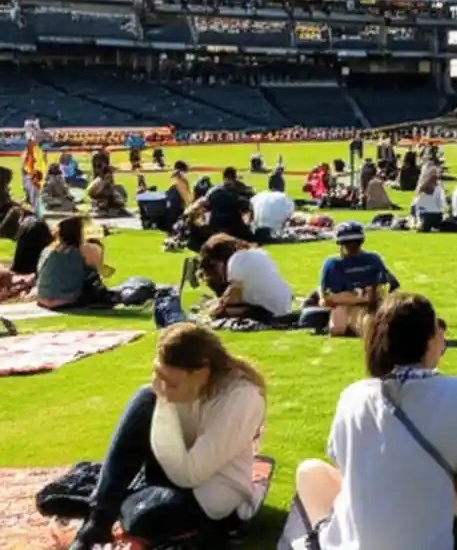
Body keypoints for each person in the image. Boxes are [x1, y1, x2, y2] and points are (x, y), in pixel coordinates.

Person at [296, 293, 457, 549]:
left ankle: (320, 537)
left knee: (310, 472)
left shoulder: (353, 396)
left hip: (356, 542)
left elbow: (347, 468)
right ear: (430, 340)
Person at [67, 323, 266, 550]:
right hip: (166, 472)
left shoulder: (242, 398)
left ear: (201, 371)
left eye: (171, 383)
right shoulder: (177, 387)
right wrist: (159, 399)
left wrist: (164, 406)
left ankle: (118, 500)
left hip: (210, 491)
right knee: (144, 398)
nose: (161, 387)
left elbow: (189, 475)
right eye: (158, 374)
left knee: (146, 518)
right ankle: (98, 519)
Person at [320, 222, 400, 337]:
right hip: (347, 306)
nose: (352, 246)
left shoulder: (373, 259)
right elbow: (329, 297)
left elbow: (387, 286)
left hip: (372, 304)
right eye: (348, 243)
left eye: (355, 243)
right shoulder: (334, 264)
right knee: (338, 326)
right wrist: (361, 297)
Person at [198, 234, 292, 321]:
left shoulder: (236, 261)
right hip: (283, 303)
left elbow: (233, 294)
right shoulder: (259, 253)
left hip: (269, 311)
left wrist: (216, 307)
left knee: (222, 311)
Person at [36, 216, 112, 308]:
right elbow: (102, 273)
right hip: (65, 299)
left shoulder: (48, 249)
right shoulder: (85, 249)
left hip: (42, 298)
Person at [197, 168, 254, 241]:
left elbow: (204, 207)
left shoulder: (213, 191)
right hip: (235, 228)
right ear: (235, 178)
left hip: (215, 227)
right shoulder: (243, 190)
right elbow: (250, 206)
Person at [413, 167, 448, 231]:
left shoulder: (421, 189)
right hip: (435, 216)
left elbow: (416, 206)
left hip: (424, 215)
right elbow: (442, 205)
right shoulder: (439, 188)